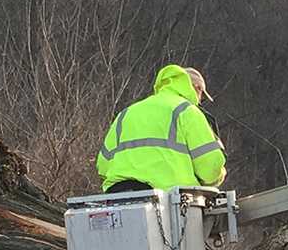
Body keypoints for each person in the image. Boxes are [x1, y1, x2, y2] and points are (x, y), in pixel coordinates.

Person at [97, 64, 226, 193]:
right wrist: (219, 175)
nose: (199, 101)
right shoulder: (186, 111)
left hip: (118, 196)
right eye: (202, 98)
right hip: (170, 200)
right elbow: (210, 168)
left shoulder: (127, 113)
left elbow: (103, 166)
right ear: (197, 89)